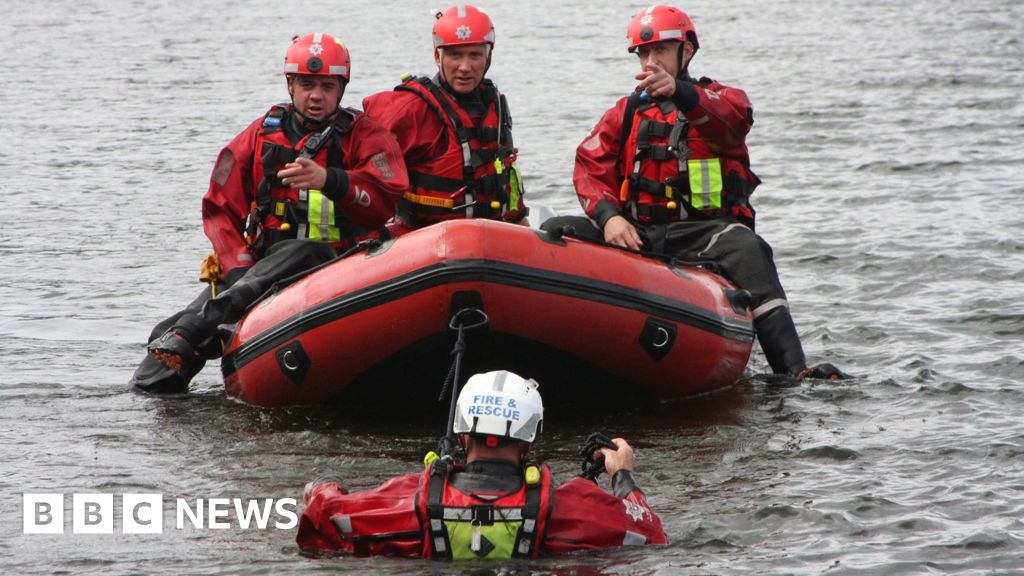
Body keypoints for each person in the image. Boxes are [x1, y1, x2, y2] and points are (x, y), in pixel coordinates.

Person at [541, 6, 843, 379]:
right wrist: (610, 218)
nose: (652, 62)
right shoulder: (627, 111)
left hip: (704, 234)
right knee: (556, 228)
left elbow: (730, 123)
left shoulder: (721, 100)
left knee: (749, 248)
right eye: (644, 53)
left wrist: (682, 93)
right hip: (639, 233)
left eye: (662, 51)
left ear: (687, 51)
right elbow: (590, 164)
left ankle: (793, 369)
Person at [131, 33, 408, 392]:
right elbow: (219, 208)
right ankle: (155, 388)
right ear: (290, 84)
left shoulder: (366, 137)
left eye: (327, 86)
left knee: (305, 249)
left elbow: (385, 199)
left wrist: (330, 180)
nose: (316, 96)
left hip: (338, 265)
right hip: (259, 272)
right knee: (166, 340)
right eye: (307, 85)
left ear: (342, 89)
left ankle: (210, 320)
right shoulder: (262, 135)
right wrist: (239, 269)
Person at [297, 370, 667, 558]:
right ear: (528, 440)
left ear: (461, 436)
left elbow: (322, 518)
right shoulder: (574, 506)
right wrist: (622, 474)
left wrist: (325, 484)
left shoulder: (408, 497)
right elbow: (649, 534)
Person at [362, 4, 529, 232]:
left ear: (488, 57)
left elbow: (506, 179)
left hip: (491, 235)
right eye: (454, 55)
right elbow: (361, 169)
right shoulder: (410, 108)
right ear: (437, 56)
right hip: (422, 240)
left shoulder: (495, 104)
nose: (464, 67)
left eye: (475, 55)